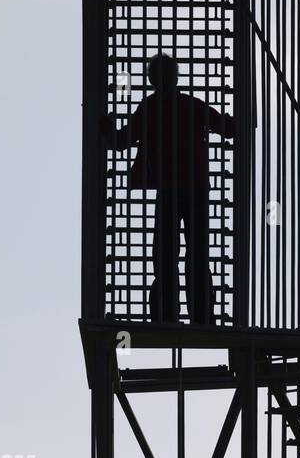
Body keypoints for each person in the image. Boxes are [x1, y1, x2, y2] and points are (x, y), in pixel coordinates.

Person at [101, 54, 235, 324]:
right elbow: (228, 129)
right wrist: (240, 116)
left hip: (168, 189)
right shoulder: (191, 105)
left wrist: (104, 126)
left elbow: (121, 142)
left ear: (151, 80)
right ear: (175, 77)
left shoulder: (149, 108)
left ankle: (165, 315)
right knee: (197, 252)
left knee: (164, 254)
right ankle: (202, 316)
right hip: (197, 188)